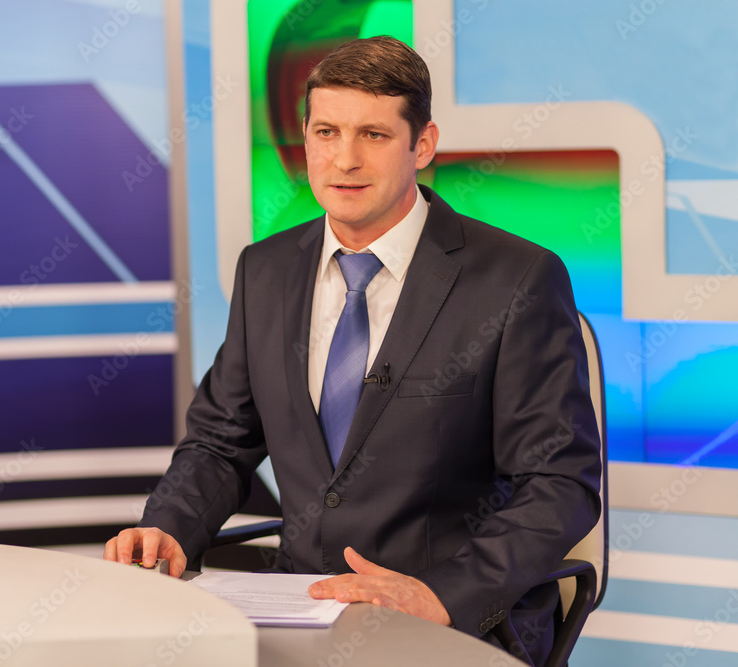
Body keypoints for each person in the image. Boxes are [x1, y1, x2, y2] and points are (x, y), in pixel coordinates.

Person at [104, 35, 601, 664]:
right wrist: (169, 529)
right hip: (297, 608)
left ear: (421, 144)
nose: (344, 160)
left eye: (373, 135)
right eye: (326, 132)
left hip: (450, 623)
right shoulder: (266, 271)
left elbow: (560, 485)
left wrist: (440, 594)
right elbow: (220, 442)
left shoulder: (516, 280)